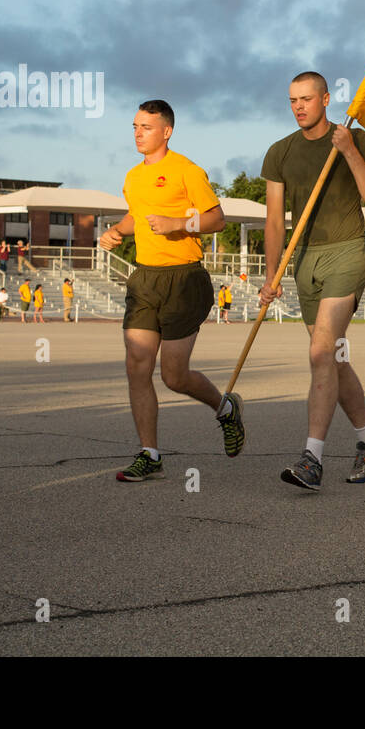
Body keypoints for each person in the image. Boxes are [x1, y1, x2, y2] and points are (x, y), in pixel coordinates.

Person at [99, 98, 246, 482]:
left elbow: (217, 219)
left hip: (184, 279)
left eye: (145, 127)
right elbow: (138, 215)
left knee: (174, 376)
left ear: (166, 131)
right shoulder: (132, 177)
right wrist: (118, 230)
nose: (137, 134)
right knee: (137, 364)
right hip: (145, 278)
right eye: (134, 127)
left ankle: (225, 408)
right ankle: (150, 454)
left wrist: (178, 222)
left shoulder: (187, 170)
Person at [259, 72, 365, 490]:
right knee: (332, 357)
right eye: (292, 100)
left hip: (347, 251)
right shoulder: (279, 152)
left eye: (306, 99)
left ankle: (311, 458)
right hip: (305, 262)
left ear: (326, 99)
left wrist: (349, 151)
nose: (299, 106)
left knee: (320, 351)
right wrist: (271, 274)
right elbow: (275, 221)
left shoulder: (352, 139)